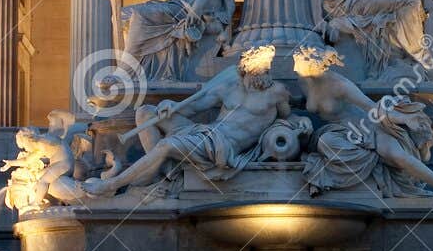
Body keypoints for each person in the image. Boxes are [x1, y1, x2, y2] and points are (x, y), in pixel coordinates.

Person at [82, 47, 292, 196]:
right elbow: (194, 107)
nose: (266, 72)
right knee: (146, 112)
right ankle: (160, 177)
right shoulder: (229, 87)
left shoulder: (276, 92)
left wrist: (302, 122)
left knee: (166, 145)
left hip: (223, 148)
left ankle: (112, 185)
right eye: (261, 67)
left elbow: (288, 117)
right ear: (247, 67)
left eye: (267, 67)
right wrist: (168, 104)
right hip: (206, 134)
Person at [292, 46, 433, 203]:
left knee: (397, 155)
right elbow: (300, 103)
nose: (294, 67)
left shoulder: (340, 85)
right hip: (338, 131)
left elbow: (373, 108)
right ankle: (371, 166)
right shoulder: (304, 80)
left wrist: (404, 119)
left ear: (314, 64)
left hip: (367, 126)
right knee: (326, 141)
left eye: (298, 63)